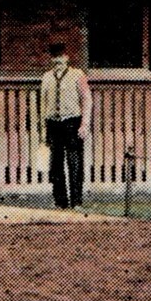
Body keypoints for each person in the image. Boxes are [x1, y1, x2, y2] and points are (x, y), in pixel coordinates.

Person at [39, 42, 91, 210]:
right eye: (54, 57)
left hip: (72, 122)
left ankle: (77, 201)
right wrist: (43, 129)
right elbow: (43, 104)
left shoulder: (77, 75)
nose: (58, 60)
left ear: (67, 57)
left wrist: (84, 123)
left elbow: (87, 99)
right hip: (53, 123)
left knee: (74, 162)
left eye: (60, 56)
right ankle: (60, 201)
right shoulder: (47, 77)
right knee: (55, 164)